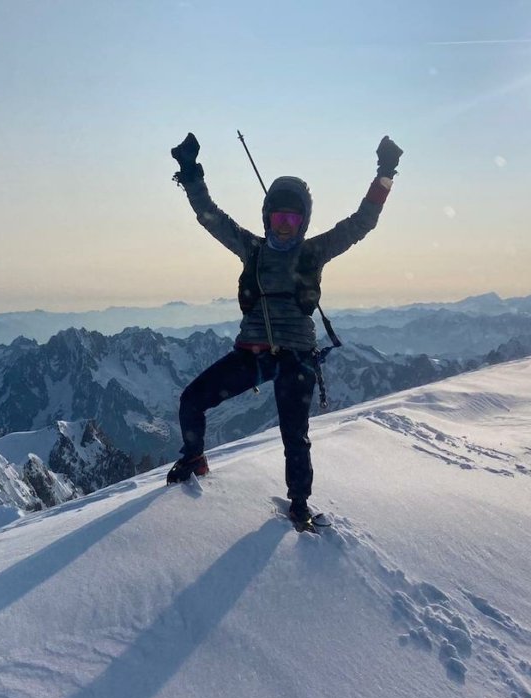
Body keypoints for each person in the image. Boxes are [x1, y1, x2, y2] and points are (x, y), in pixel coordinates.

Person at [166, 131, 402, 528]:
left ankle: (299, 503)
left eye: (293, 219)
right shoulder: (252, 248)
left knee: (295, 434)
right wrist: (190, 171)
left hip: (295, 356)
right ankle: (194, 458)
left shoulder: (313, 252)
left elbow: (363, 221)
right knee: (192, 400)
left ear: (304, 222)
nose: (285, 227)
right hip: (252, 354)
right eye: (279, 218)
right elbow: (209, 215)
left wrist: (385, 173)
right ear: (267, 217)